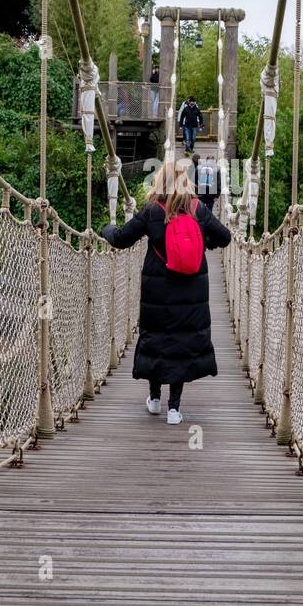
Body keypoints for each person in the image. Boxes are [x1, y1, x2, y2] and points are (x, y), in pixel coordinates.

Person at [100, 158, 231, 424]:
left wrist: (106, 229)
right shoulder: (199, 211)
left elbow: (121, 239)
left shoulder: (151, 211)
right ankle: (174, 409)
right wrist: (203, 242)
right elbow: (225, 237)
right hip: (191, 293)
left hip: (157, 292)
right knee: (181, 344)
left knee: (156, 341)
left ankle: (155, 399)